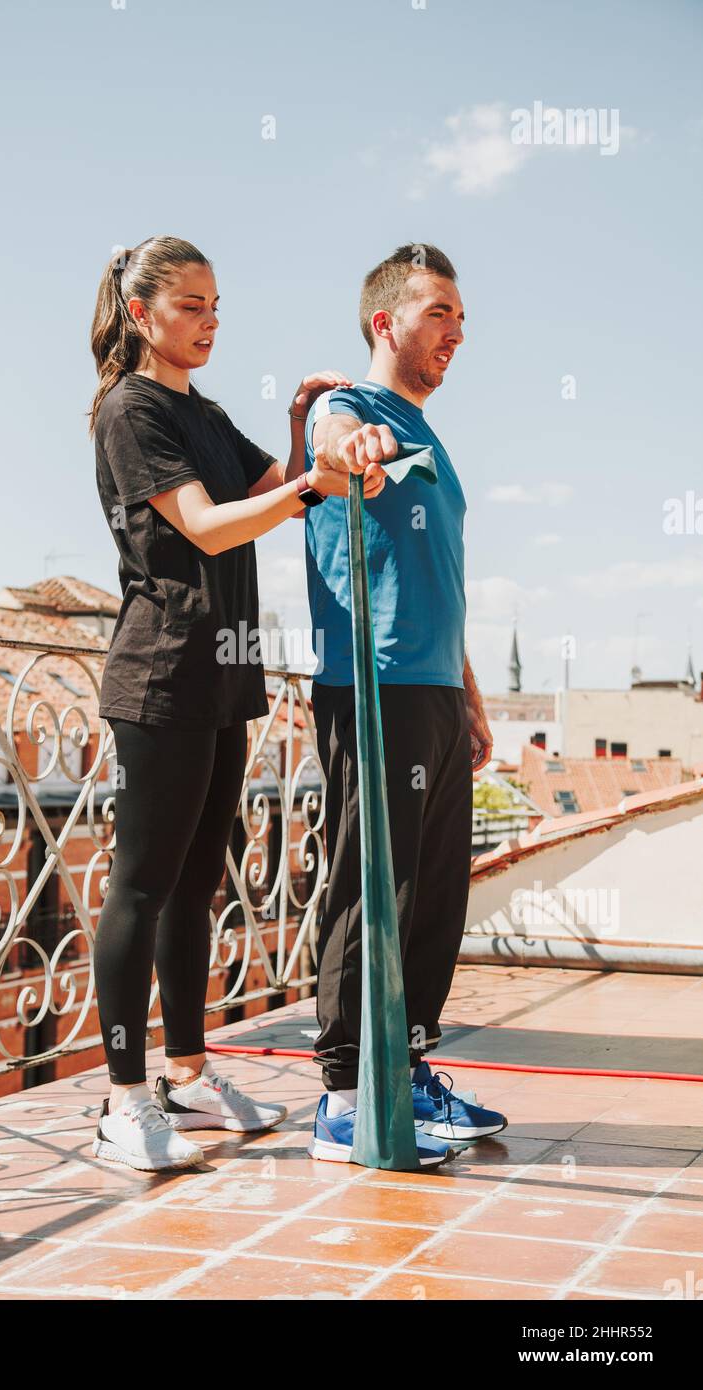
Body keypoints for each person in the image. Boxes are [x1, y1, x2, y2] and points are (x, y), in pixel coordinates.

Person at [87, 235, 383, 1173]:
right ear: (141, 313)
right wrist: (305, 485)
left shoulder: (201, 411)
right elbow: (211, 527)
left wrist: (303, 425)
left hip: (223, 675)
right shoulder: (129, 410)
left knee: (197, 886)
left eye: (217, 306)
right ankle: (124, 1099)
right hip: (161, 674)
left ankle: (184, 1072)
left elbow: (269, 485)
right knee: (141, 884)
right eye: (191, 306)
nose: (210, 322)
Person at [302, 243, 508, 1166]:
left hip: (430, 691)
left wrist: (466, 692)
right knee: (369, 890)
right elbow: (331, 452)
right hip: (372, 687)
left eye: (461, 317)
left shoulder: (433, 432)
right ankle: (346, 1097)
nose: (455, 331)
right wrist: (350, 450)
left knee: (433, 897)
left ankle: (412, 1073)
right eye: (438, 313)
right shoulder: (348, 407)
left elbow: (436, 575)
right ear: (386, 322)